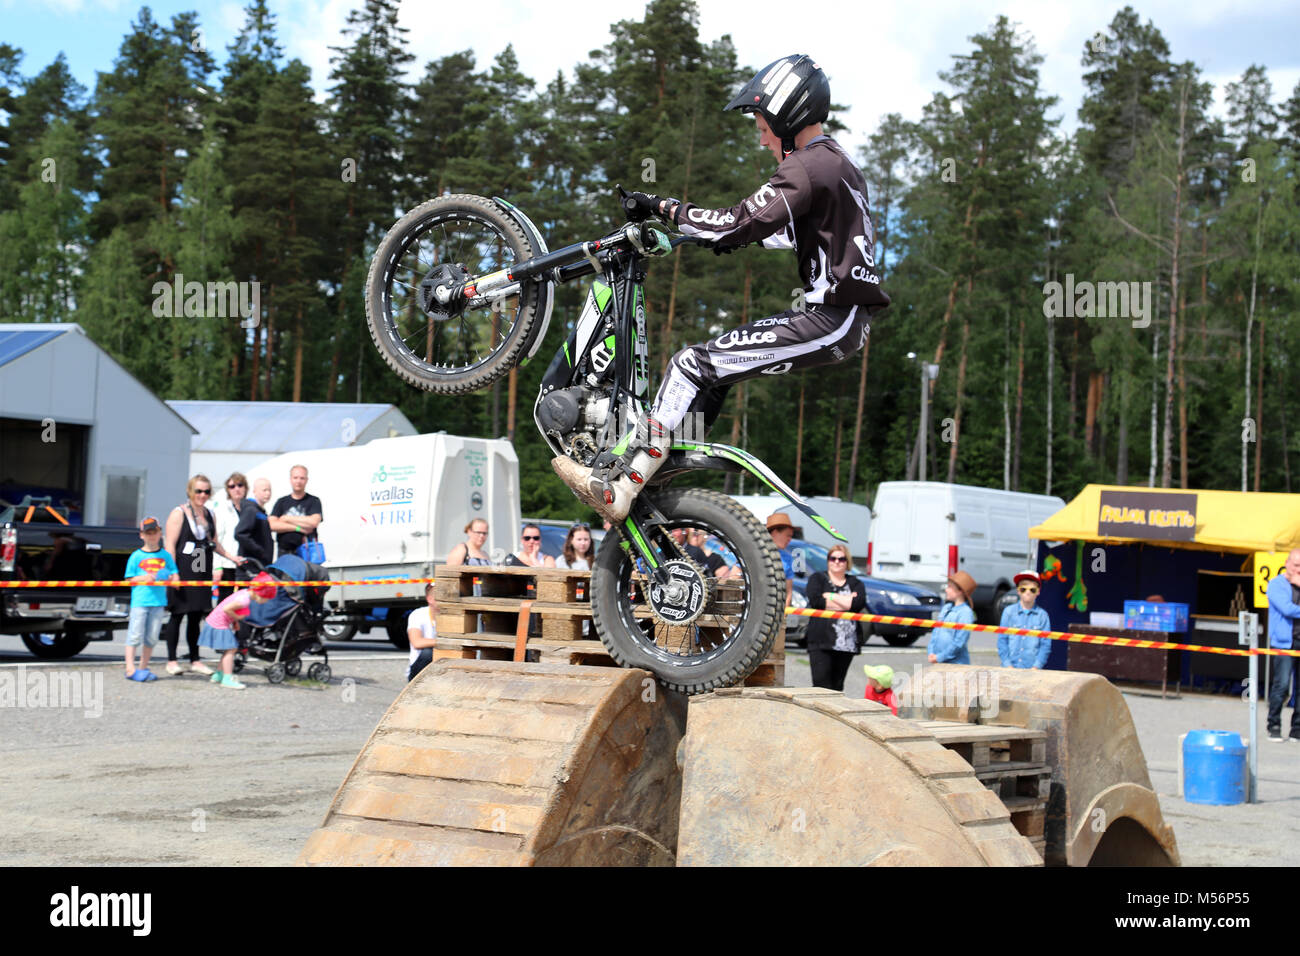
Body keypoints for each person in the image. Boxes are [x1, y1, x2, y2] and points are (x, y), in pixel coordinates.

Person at [554, 53, 889, 522]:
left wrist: (663, 207)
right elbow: (786, 232)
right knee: (710, 374)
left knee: (689, 364)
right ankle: (657, 466)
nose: (760, 136)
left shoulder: (808, 167)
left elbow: (737, 222)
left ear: (785, 115)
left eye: (762, 123)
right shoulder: (838, 165)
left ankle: (621, 485)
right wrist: (701, 236)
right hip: (840, 320)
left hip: (832, 319)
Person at [162, 475, 241, 676]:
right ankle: (171, 660)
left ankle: (195, 659)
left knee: (196, 615)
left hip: (201, 566)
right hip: (182, 567)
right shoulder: (179, 513)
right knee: (177, 614)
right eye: (198, 491)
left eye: (206, 491)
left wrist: (231, 557)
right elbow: (170, 544)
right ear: (190, 491)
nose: (202, 495)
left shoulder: (209, 514)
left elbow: (214, 543)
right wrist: (173, 572)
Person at [803, 543, 867, 691]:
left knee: (837, 687)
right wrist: (846, 601)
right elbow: (817, 601)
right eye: (833, 558)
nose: (837, 562)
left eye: (842, 559)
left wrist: (830, 596)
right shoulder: (817, 578)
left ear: (847, 562)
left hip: (847, 643)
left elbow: (857, 604)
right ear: (828, 560)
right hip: (820, 640)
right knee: (820, 687)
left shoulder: (856, 583)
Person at [122, 517, 179, 682]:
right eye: (148, 533)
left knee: (152, 636)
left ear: (160, 533)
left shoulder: (165, 555)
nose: (152, 536)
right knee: (134, 635)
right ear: (142, 535)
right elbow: (129, 579)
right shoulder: (136, 556)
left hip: (158, 602)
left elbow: (173, 571)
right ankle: (130, 668)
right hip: (140, 602)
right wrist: (144, 578)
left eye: (154, 532)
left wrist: (175, 578)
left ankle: (143, 667)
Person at [198, 573, 278, 690]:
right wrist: (237, 618)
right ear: (262, 593)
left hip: (216, 621)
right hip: (219, 624)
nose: (266, 601)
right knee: (231, 649)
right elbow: (227, 609)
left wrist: (234, 621)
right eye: (267, 598)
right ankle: (227, 678)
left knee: (229, 649)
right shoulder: (244, 600)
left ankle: (219, 674)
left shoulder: (244, 593)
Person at [1266, 549, 1300, 742]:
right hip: (1284, 642)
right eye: (1295, 565)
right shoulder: (1276, 584)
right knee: (1282, 684)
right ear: (1287, 563)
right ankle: (1274, 724)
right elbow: (1286, 609)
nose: (1298, 569)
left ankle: (1297, 729)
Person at [998, 570, 1053, 669]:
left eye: (1032, 590)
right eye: (1023, 589)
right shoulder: (1008, 612)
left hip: (1032, 670)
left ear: (1038, 592)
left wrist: (1036, 667)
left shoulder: (1043, 615)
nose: (1028, 592)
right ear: (1018, 591)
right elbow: (1002, 641)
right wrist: (1007, 665)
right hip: (1009, 669)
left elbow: (1045, 645)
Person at [269, 464, 323, 560]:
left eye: (302, 478)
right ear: (290, 479)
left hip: (307, 551)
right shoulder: (281, 502)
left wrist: (286, 519)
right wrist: (298, 528)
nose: (298, 481)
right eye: (295, 478)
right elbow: (272, 525)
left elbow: (313, 522)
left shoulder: (314, 501)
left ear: (306, 480)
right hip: (285, 553)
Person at [928, 571, 977, 665]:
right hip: (939, 662)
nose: (946, 590)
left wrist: (939, 657)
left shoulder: (965, 613)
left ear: (960, 591)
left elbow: (959, 642)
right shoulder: (946, 608)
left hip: (956, 664)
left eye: (950, 587)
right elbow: (936, 632)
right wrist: (931, 652)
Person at [213, 472, 248, 600]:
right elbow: (215, 540)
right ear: (228, 490)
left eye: (240, 485)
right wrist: (217, 566)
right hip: (227, 563)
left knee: (244, 604)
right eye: (232, 486)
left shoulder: (250, 508)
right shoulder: (222, 510)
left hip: (245, 565)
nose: (237, 489)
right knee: (225, 603)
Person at [235, 477, 275, 568]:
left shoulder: (261, 512)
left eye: (269, 490)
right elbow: (240, 534)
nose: (267, 493)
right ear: (255, 491)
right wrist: (259, 551)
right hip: (251, 566)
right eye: (264, 490)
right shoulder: (251, 510)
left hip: (261, 564)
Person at [406, 583, 439, 682]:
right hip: (419, 667)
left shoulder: (451, 615)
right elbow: (417, 642)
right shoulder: (418, 614)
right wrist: (444, 642)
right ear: (430, 599)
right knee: (428, 652)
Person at [767, 512, 796, 608]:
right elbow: (735, 577)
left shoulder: (788, 559)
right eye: (788, 535)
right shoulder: (754, 552)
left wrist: (783, 616)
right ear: (775, 532)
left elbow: (788, 592)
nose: (790, 539)